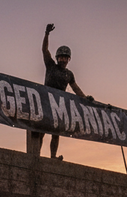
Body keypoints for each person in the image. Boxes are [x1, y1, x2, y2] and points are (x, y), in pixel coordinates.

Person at [29, 23, 92, 160]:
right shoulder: (51, 66)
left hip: (59, 106)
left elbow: (75, 88)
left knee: (56, 133)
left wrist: (85, 98)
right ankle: (36, 156)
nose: (63, 60)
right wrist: (46, 34)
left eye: (65, 57)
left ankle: (53, 157)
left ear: (68, 59)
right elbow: (44, 50)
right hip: (45, 103)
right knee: (41, 130)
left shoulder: (69, 74)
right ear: (57, 58)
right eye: (61, 57)